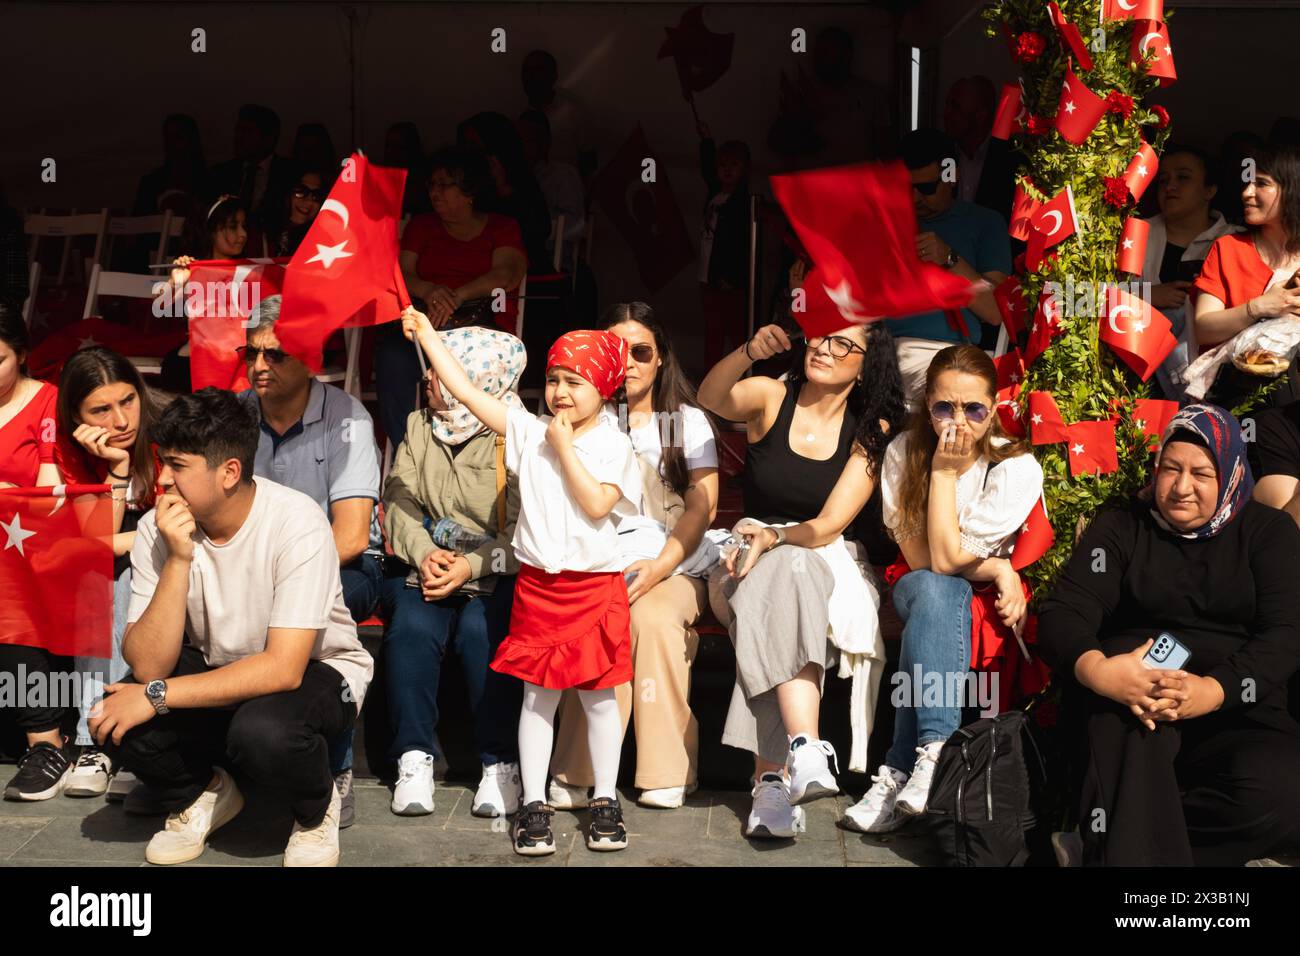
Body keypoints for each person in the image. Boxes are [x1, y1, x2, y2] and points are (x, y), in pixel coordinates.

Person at [92, 388, 373, 867]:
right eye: (163, 462)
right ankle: (204, 792)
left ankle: (314, 809)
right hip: (218, 662)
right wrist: (178, 559)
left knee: (263, 732)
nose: (163, 479)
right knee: (112, 718)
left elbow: (284, 669)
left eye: (178, 466)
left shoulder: (296, 521)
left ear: (229, 472)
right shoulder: (156, 530)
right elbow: (148, 664)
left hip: (319, 671)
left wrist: (158, 695)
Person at [401, 306, 640, 856]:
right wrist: (429, 335)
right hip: (539, 588)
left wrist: (561, 448)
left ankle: (605, 796)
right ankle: (534, 803)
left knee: (601, 699)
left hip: (593, 589)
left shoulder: (609, 444)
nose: (560, 392)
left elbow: (598, 501)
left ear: (602, 387)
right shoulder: (529, 430)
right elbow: (462, 387)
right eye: (554, 379)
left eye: (574, 382)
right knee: (538, 700)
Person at [1039, 404, 1300, 865]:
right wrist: (1100, 672)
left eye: (1201, 473)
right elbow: (1064, 612)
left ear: (1231, 473)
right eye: (1171, 469)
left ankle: (1108, 843)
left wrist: (1213, 691)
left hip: (1234, 707)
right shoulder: (1123, 525)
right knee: (1128, 715)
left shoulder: (1268, 532)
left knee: (1282, 792)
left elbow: (1286, 635)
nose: (1181, 488)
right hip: (1136, 700)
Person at [697, 318, 906, 839]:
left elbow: (830, 524)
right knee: (774, 582)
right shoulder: (771, 396)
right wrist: (748, 350)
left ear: (865, 366)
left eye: (844, 344)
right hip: (739, 559)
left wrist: (777, 538)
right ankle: (806, 745)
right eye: (821, 335)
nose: (825, 349)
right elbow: (712, 395)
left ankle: (770, 786)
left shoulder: (871, 429)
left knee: (787, 578)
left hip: (817, 555)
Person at [842, 344, 1043, 833]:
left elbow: (950, 561)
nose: (959, 421)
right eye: (943, 407)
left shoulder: (1016, 468)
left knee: (941, 594)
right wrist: (997, 568)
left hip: (962, 601)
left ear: (993, 408)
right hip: (917, 582)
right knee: (933, 589)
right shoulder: (905, 452)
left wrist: (947, 478)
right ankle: (938, 751)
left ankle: (898, 768)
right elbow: (926, 559)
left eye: (973, 408)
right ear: (925, 405)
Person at [549, 303, 720, 810]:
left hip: (676, 560)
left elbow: (702, 505)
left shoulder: (685, 422)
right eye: (614, 350)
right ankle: (578, 768)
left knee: (653, 615)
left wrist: (662, 565)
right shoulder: (579, 420)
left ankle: (669, 768)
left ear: (661, 358)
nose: (627, 362)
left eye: (640, 351)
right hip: (598, 558)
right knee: (602, 611)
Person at [235, 296, 384, 827]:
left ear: (309, 359)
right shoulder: (235, 413)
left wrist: (277, 572)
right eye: (251, 353)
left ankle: (334, 768)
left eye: (274, 356)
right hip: (253, 566)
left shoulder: (348, 419)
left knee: (317, 610)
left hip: (344, 567)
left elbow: (348, 537)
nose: (258, 367)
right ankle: (204, 772)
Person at [382, 326, 525, 819]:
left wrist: (471, 565)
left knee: (482, 633)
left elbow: (529, 529)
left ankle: (500, 762)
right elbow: (399, 499)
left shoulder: (515, 433)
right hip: (433, 560)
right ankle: (413, 757)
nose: (427, 379)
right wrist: (422, 552)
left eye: (439, 371)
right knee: (412, 630)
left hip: (498, 568)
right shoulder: (420, 425)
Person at [53, 347, 161, 804]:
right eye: (101, 410)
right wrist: (116, 472)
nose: (120, 421)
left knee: (109, 570)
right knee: (101, 578)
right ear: (77, 416)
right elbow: (94, 542)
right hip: (116, 571)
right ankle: (95, 738)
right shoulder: (71, 454)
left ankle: (100, 737)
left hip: (181, 560)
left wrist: (98, 546)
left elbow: (187, 525)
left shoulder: (168, 432)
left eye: (128, 401)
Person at [376, 145, 527, 449]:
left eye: (445, 184)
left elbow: (506, 274)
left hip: (480, 323)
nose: (435, 192)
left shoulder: (502, 227)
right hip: (424, 318)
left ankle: (473, 453)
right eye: (432, 184)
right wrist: (429, 291)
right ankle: (409, 450)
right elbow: (402, 273)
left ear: (470, 191)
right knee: (391, 357)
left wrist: (457, 296)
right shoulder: (421, 225)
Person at [0, 301, 68, 801]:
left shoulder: (48, 402)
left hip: (36, 546)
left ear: (21, 356)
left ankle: (45, 744)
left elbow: (51, 497)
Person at [889, 128, 1010, 403]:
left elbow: (995, 311)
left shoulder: (984, 222)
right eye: (906, 188)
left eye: (926, 188)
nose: (915, 199)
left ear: (951, 177)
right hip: (878, 351)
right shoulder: (883, 223)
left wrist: (949, 259)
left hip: (947, 356)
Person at [1191, 144, 1300, 411]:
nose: (1247, 193)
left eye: (1261, 183)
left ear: (1292, 189)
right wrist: (1261, 306)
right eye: (1247, 184)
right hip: (1245, 396)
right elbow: (1203, 327)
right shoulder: (1228, 248)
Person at [1141, 145, 1238, 400]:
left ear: (1209, 190)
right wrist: (1146, 295)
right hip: (1135, 377)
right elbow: (1090, 298)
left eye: (1183, 177)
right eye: (1163, 180)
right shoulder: (1135, 234)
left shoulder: (1236, 241)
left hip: (1213, 383)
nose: (1170, 186)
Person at [159, 194, 251, 394]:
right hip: (202, 348)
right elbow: (161, 306)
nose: (242, 234)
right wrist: (178, 282)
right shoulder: (193, 268)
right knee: (177, 367)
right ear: (211, 231)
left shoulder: (252, 271)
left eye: (244, 226)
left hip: (241, 351)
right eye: (233, 227)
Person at [457, 111, 553, 272]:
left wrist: (503, 188)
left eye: (475, 146)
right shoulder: (466, 180)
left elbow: (538, 231)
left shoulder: (521, 179)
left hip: (520, 271)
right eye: (466, 145)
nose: (471, 153)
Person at [695, 122, 752, 370]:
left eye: (734, 165)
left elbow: (742, 244)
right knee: (713, 332)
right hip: (708, 276)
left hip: (729, 280)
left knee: (737, 334)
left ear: (744, 169)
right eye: (723, 165)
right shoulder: (715, 194)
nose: (727, 171)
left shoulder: (742, 201)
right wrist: (706, 140)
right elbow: (706, 169)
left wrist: (734, 276)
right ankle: (710, 381)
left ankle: (741, 380)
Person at [204, 104, 296, 231]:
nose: (239, 137)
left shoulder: (289, 174)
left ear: (269, 138)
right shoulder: (221, 173)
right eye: (238, 130)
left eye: (247, 132)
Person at [942, 76, 1015, 224]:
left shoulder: (1009, 160)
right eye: (947, 105)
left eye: (956, 107)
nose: (946, 113)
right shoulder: (942, 153)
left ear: (981, 115)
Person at [518, 108, 585, 268]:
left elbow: (576, 225)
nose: (519, 146)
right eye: (516, 140)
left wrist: (539, 227)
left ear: (544, 143)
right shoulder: (510, 178)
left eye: (526, 140)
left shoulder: (562, 175)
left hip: (551, 262)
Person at [520, 48, 598, 180]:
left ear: (553, 75)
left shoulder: (574, 113)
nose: (531, 76)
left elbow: (589, 161)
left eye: (539, 70)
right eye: (527, 71)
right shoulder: (517, 117)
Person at [266, 168, 327, 257]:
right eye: (300, 191)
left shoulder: (323, 246)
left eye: (316, 195)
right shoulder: (256, 236)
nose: (309, 201)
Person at [383, 122, 432, 216]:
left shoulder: (425, 180)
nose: (392, 151)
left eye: (399, 146)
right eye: (389, 146)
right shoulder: (381, 177)